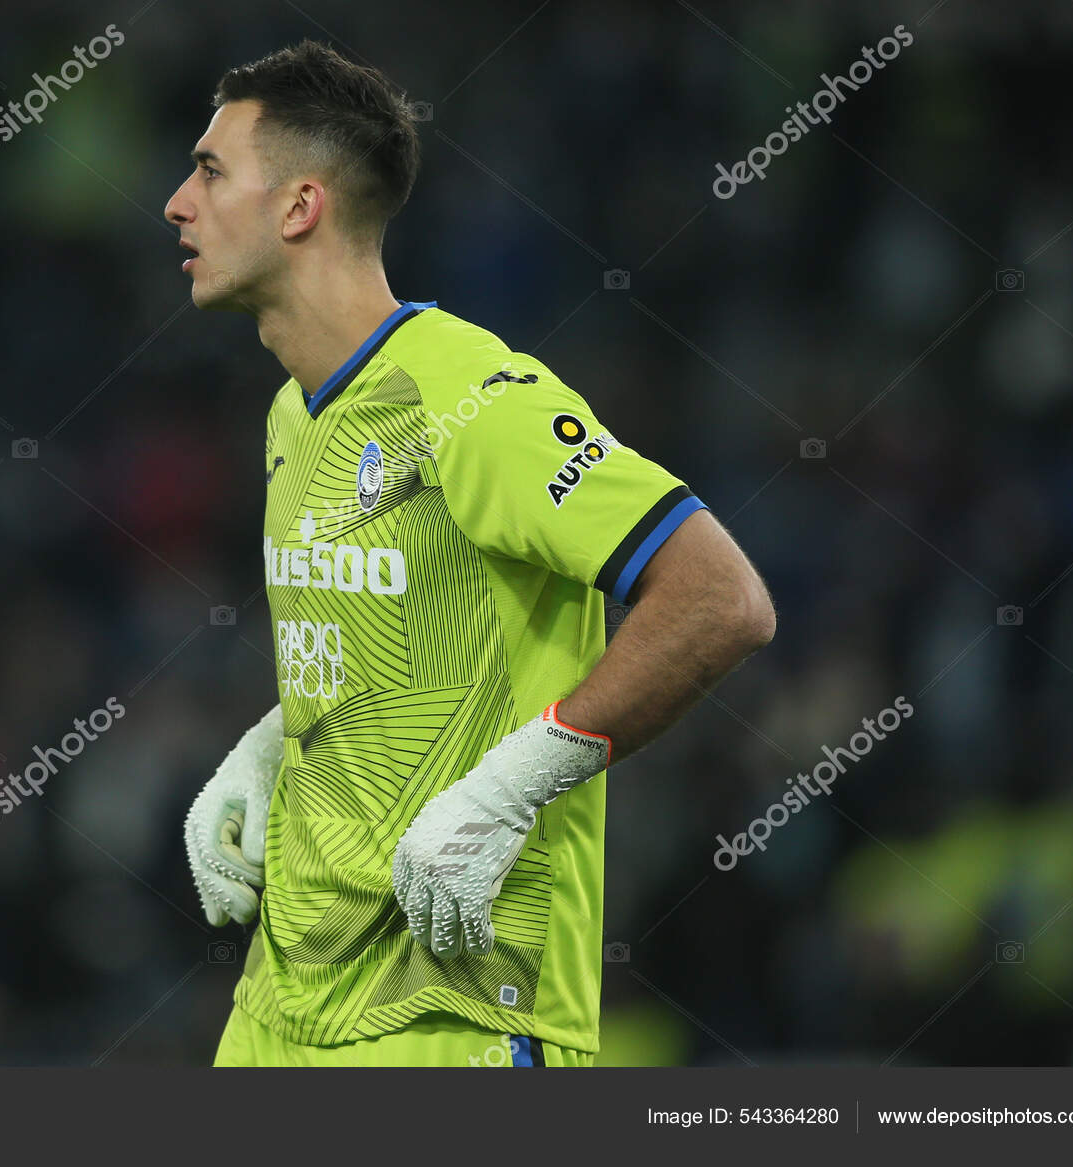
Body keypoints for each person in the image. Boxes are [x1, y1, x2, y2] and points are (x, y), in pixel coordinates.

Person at [167, 40, 776, 1067]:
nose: (178, 202)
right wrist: (274, 747)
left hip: (451, 1014)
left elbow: (722, 599)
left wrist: (505, 792)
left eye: (210, 170)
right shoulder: (291, 415)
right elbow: (408, 637)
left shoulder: (471, 399)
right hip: (281, 1009)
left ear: (300, 207)